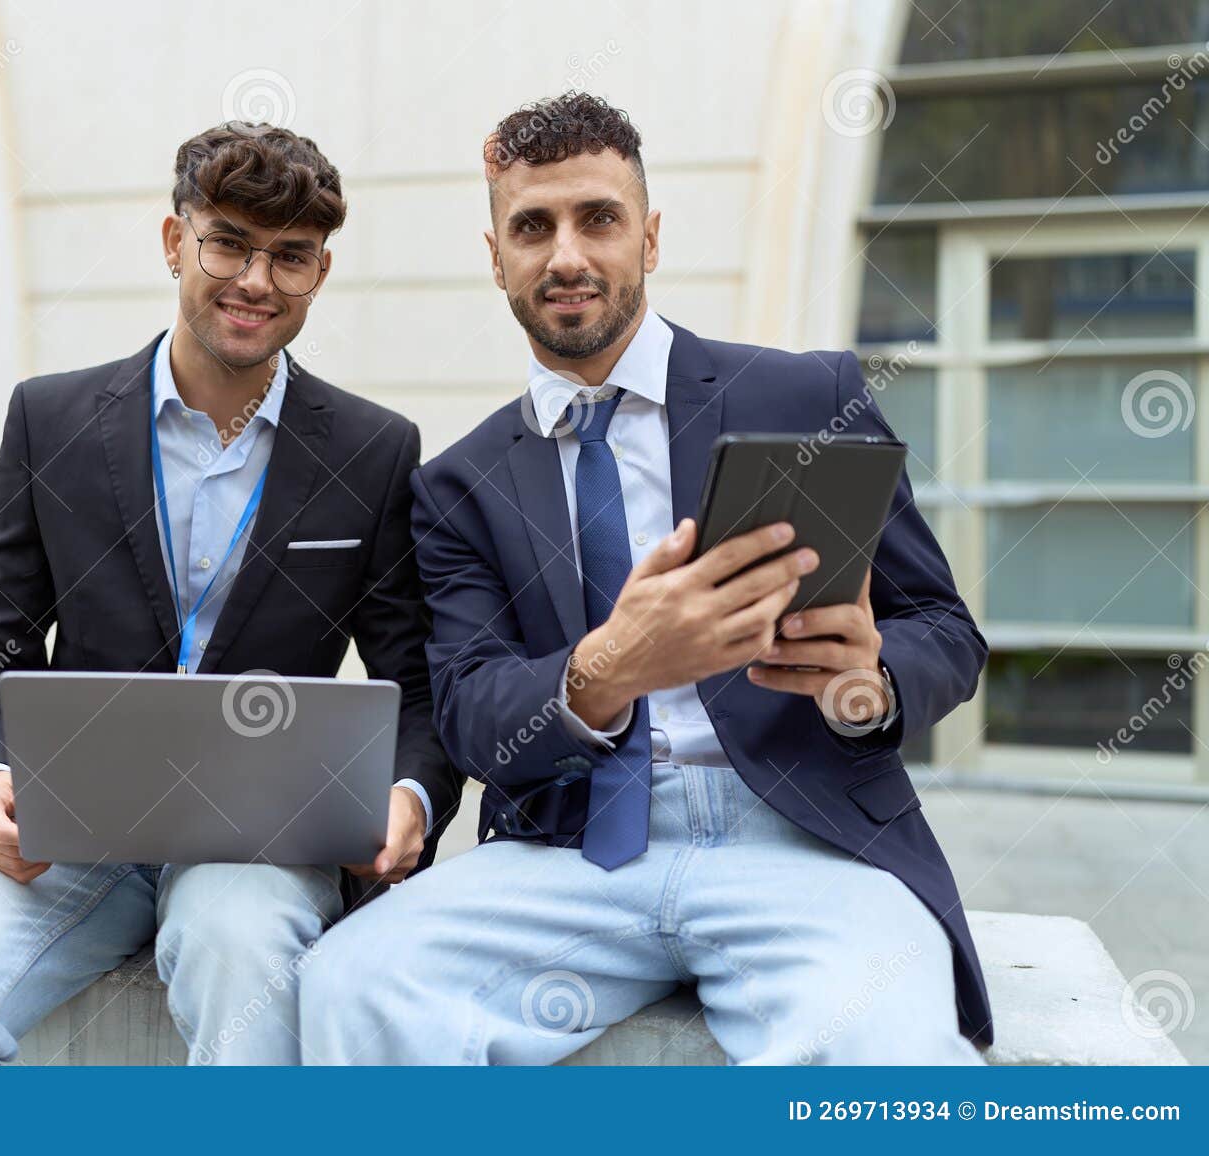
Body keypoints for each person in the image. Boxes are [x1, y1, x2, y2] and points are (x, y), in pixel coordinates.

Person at [301, 93, 989, 1065]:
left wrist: (871, 680)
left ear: (650, 237)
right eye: (531, 227)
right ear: (494, 256)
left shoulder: (808, 396)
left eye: (598, 218)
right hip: (569, 854)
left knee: (889, 1048)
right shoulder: (457, 483)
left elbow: (943, 627)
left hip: (798, 842)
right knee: (350, 986)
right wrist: (603, 669)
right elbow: (466, 711)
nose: (566, 255)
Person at [0, 122, 460, 1065]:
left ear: (319, 274)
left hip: (256, 849)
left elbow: (414, 679)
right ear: (175, 242)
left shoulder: (375, 452)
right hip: (64, 835)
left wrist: (408, 797)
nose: (257, 280)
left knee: (240, 952)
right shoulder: (51, 422)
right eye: (228, 243)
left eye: (290, 256)